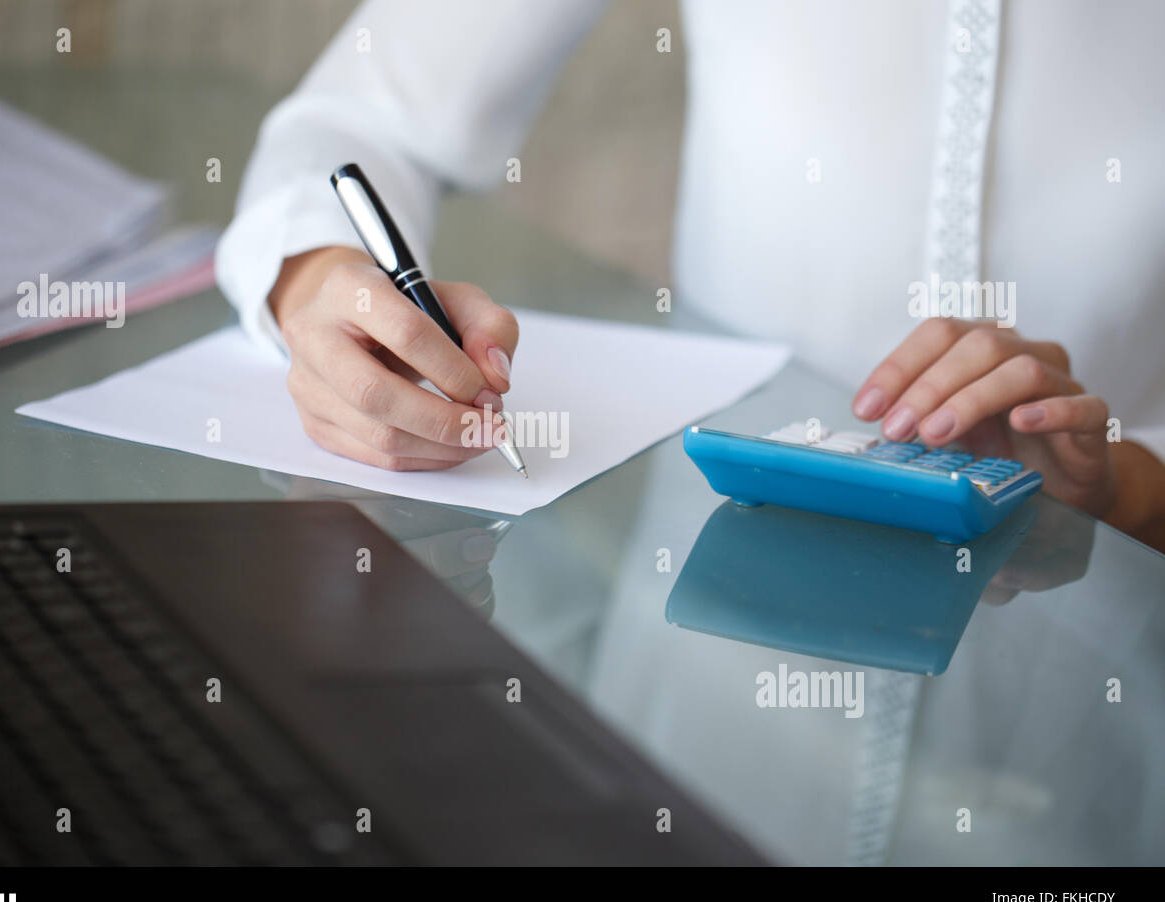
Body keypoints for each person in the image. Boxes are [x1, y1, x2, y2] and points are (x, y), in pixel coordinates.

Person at [216, 0, 1165, 549]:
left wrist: (1125, 485)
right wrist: (316, 287)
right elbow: (356, 120)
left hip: (1095, 667)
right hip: (714, 618)